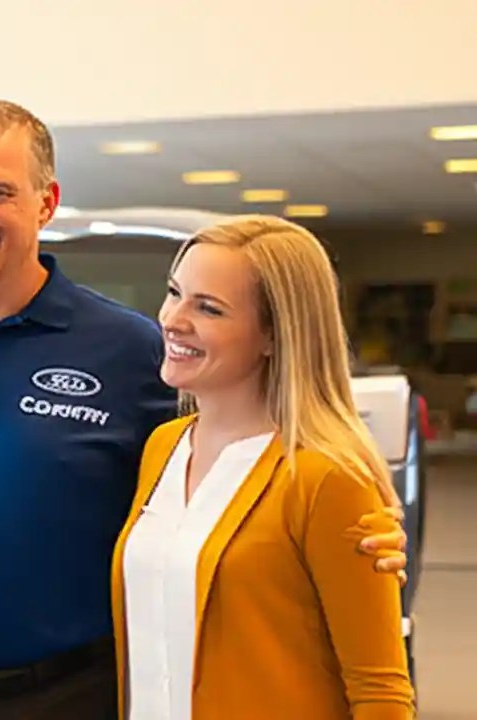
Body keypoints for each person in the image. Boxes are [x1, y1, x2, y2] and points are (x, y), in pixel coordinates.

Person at [0, 99, 409, 719]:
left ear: (46, 202)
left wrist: (355, 529)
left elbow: (240, 471)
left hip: (64, 697)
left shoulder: (132, 348)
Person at [110, 216, 416, 719]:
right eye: (175, 292)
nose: (173, 319)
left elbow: (380, 690)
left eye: (208, 307)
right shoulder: (165, 448)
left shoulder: (325, 477)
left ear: (275, 335)